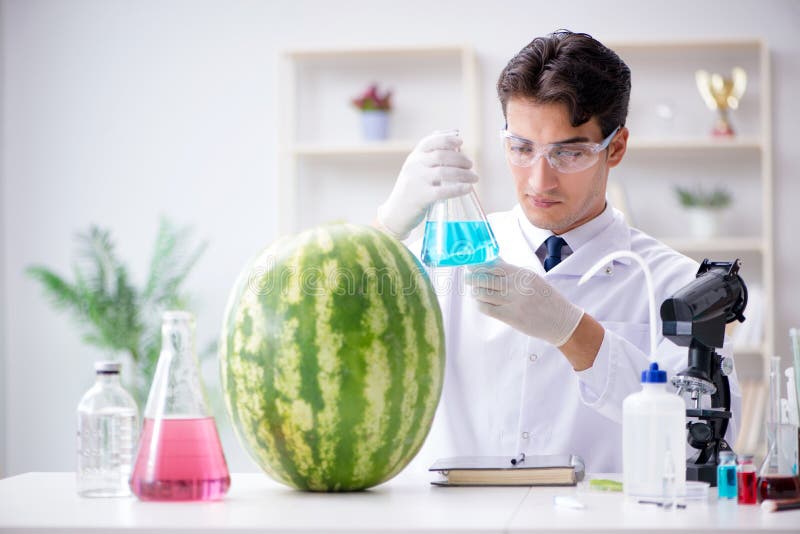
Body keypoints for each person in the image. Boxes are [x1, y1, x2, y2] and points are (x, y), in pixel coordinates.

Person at [375, 30, 742, 473]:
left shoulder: (678, 284)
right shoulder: (444, 258)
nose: (539, 181)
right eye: (521, 148)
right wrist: (386, 228)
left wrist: (575, 333)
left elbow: (704, 442)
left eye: (568, 154)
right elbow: (319, 337)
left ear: (616, 147)